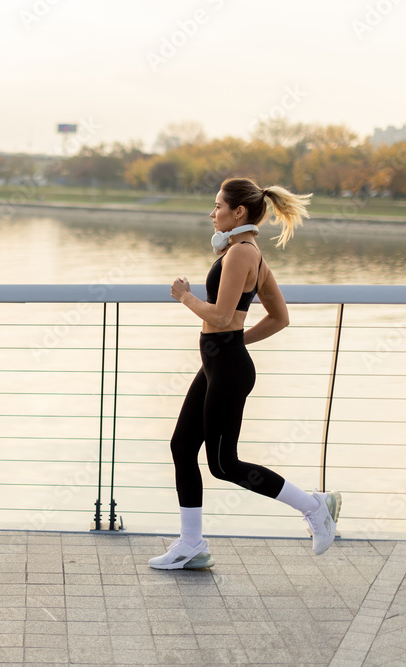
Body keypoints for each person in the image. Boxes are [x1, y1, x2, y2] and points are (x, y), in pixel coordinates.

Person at [149, 177, 341, 570]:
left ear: (238, 212)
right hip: (220, 365)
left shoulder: (240, 254)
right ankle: (191, 544)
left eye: (218, 205)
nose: (212, 212)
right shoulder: (250, 253)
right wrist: (233, 345)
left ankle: (314, 505)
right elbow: (279, 318)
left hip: (227, 369)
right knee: (182, 446)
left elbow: (220, 315)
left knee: (224, 465)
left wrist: (186, 297)